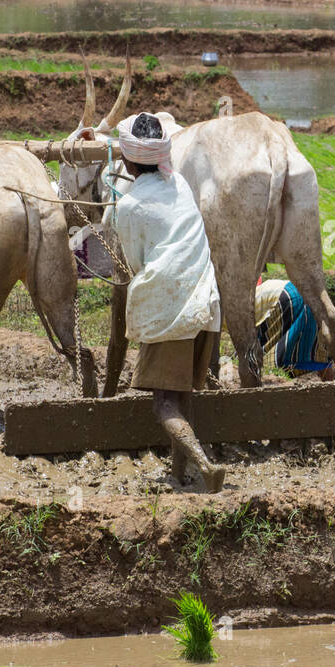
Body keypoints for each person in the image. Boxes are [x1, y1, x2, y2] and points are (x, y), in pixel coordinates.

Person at [109, 112, 226, 493]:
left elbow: (137, 262)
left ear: (126, 160)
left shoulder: (127, 207)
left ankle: (206, 466)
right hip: (207, 303)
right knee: (182, 394)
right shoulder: (181, 185)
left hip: (171, 308)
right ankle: (180, 474)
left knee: (163, 404)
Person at [254, 278, 335, 380]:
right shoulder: (262, 290)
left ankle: (272, 386)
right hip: (310, 294)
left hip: (286, 297)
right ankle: (332, 389)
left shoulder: (242, 306)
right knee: (319, 351)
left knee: (268, 354)